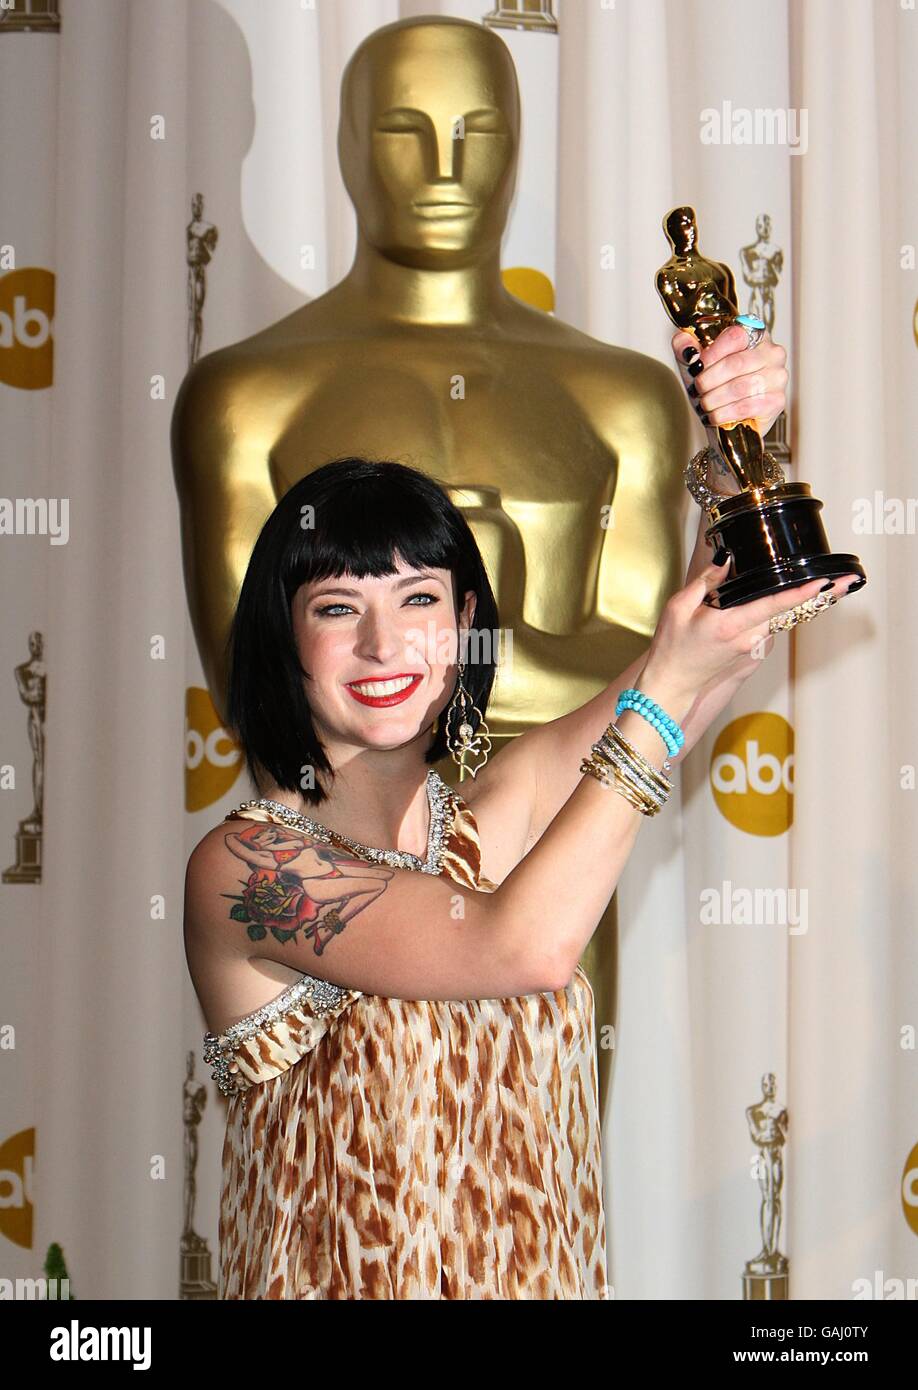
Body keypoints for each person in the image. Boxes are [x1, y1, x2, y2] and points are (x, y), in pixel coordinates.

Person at [183, 329, 862, 1300]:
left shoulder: (489, 817)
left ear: (465, 625)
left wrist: (741, 452)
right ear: (282, 635)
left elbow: (705, 656)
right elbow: (523, 946)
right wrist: (666, 688)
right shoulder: (245, 868)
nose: (384, 643)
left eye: (418, 597)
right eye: (337, 607)